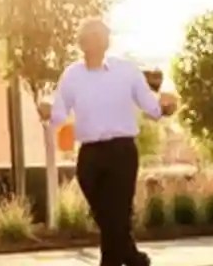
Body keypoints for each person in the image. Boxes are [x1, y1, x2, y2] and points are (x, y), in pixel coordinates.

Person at [37, 17, 179, 266]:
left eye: (100, 36)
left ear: (106, 41)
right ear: (82, 43)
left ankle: (119, 261)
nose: (95, 41)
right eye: (89, 37)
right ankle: (133, 258)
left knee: (117, 215)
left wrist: (166, 108)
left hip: (121, 152)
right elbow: (60, 112)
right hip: (89, 155)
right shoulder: (72, 75)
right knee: (107, 216)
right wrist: (47, 110)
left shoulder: (126, 71)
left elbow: (152, 107)